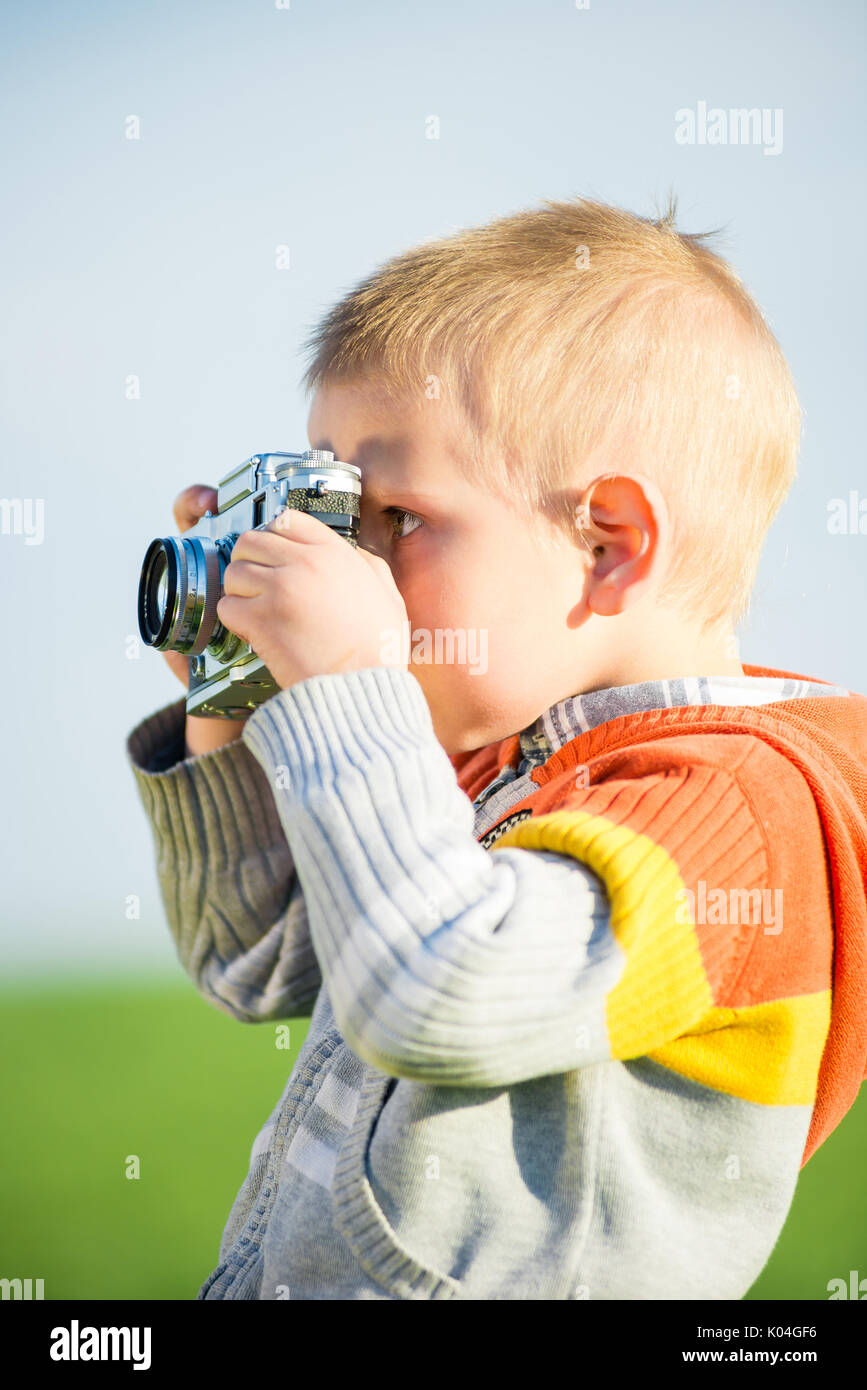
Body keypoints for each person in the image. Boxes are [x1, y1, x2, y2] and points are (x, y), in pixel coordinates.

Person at [126, 195, 867, 1300]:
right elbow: (253, 960)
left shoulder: (736, 815)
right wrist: (232, 691)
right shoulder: (510, 766)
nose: (350, 567)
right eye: (332, 514)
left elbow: (437, 987)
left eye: (396, 519)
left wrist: (347, 684)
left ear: (608, 545)